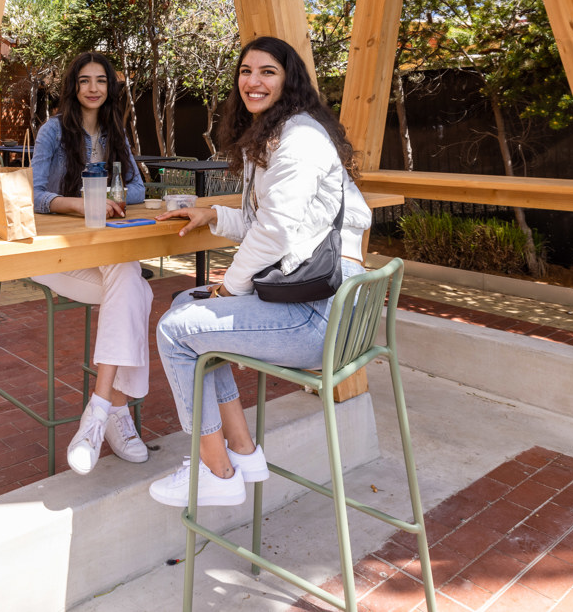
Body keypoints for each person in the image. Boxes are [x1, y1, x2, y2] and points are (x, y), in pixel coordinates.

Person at [149, 36, 373, 508]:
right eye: (246, 71)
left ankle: (213, 470)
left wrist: (228, 289)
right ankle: (244, 453)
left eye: (268, 71)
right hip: (325, 302)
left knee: (175, 331)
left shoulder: (299, 140)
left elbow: (273, 234)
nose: (253, 81)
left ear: (288, 79)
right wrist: (213, 216)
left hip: (320, 318)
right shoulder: (277, 135)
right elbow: (263, 223)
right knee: (183, 305)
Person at [30, 51, 153, 475]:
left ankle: (98, 414)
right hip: (55, 258)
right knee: (138, 288)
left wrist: (112, 196)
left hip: (103, 259)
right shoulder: (51, 132)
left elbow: (137, 187)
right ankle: (116, 413)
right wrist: (77, 205)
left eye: (101, 80)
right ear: (73, 86)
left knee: (128, 276)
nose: (93, 88)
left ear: (110, 87)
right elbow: (30, 196)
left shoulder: (115, 131)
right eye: (85, 80)